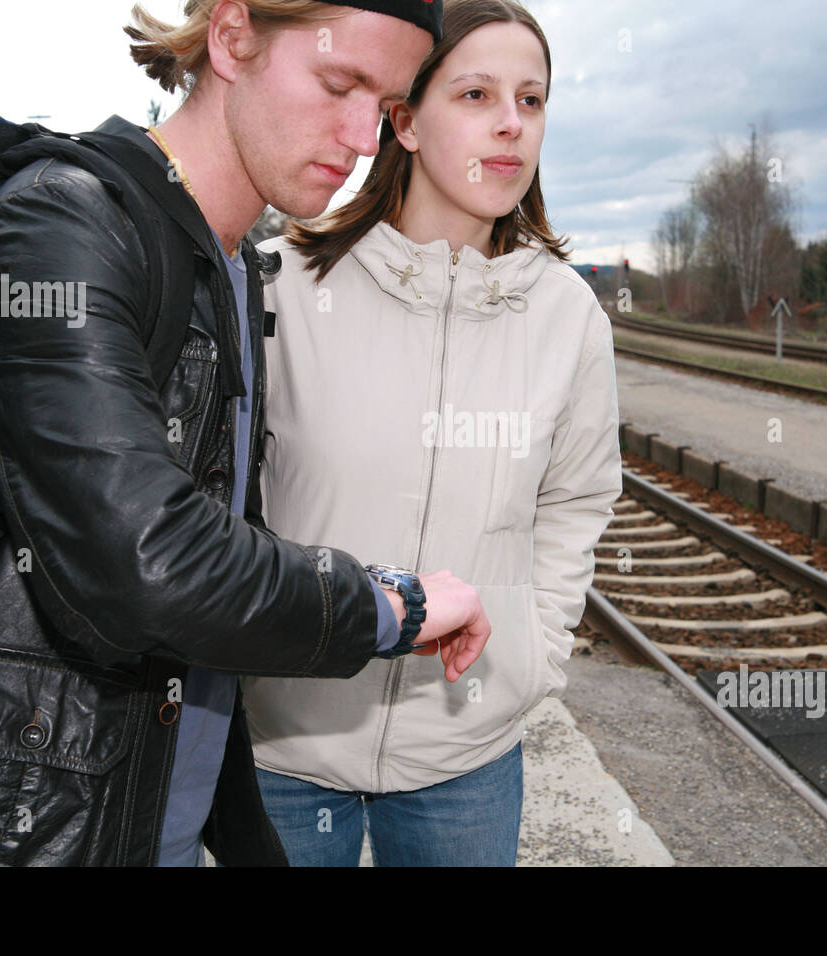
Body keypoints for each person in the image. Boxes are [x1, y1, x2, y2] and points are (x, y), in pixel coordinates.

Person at [0, 0, 493, 867]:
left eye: (386, 106)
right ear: (231, 35)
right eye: (340, 83)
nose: (362, 138)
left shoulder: (230, 267)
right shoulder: (62, 222)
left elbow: (218, 542)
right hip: (10, 832)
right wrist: (392, 605)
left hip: (149, 819)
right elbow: (149, 561)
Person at [244, 0, 622, 866]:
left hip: (467, 755)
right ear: (405, 121)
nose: (510, 125)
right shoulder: (284, 286)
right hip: (284, 751)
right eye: (477, 94)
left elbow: (578, 496)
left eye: (532, 101)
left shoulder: (568, 316)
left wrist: (535, 656)